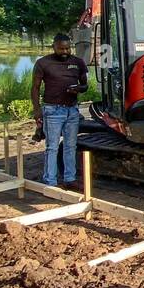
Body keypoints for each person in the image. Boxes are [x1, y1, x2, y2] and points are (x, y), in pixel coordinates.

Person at [31, 33, 89, 190]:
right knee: (52, 146)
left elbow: (85, 85)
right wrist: (37, 110)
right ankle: (50, 180)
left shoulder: (78, 63)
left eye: (67, 48)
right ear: (54, 47)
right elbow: (35, 88)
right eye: (61, 48)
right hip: (52, 109)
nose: (65, 51)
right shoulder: (43, 63)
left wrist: (79, 89)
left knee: (71, 145)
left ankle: (69, 178)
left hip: (72, 110)